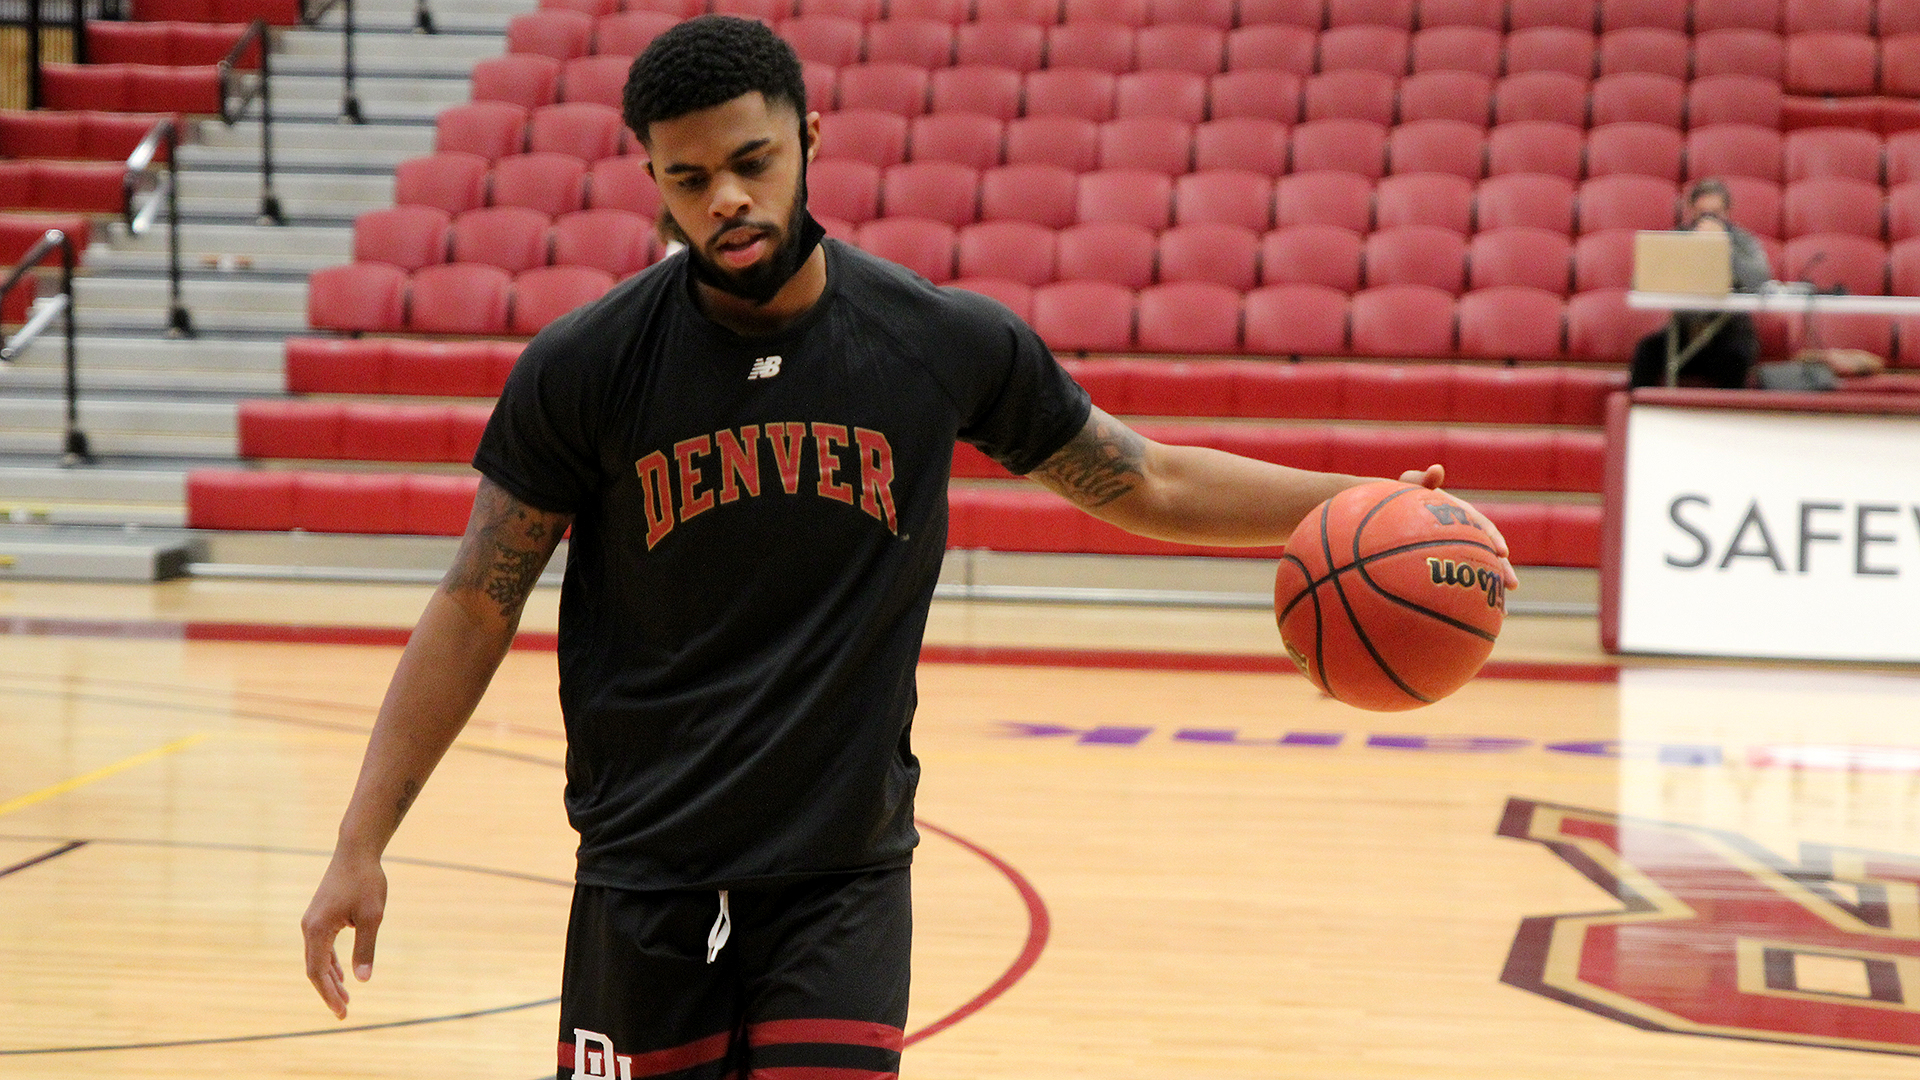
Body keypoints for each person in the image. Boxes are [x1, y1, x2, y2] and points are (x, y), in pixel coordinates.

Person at [300, 16, 1517, 1079]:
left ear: (809, 137)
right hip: (646, 869)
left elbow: (1141, 477)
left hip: (842, 873)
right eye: (687, 179)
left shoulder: (934, 343)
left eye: (749, 162)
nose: (724, 199)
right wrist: (359, 845)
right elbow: (474, 603)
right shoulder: (586, 368)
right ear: (652, 179)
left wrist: (1355, 503)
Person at [1628, 179, 1773, 389]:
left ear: (1727, 212)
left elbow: (1760, 280)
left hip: (1729, 332)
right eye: (1703, 213)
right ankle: (1637, 415)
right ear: (1692, 211)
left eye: (1715, 212)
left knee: (1737, 358)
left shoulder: (1742, 241)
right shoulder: (1678, 238)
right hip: (1685, 332)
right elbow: (1641, 281)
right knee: (1647, 351)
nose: (1709, 218)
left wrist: (1723, 247)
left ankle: (1728, 419)